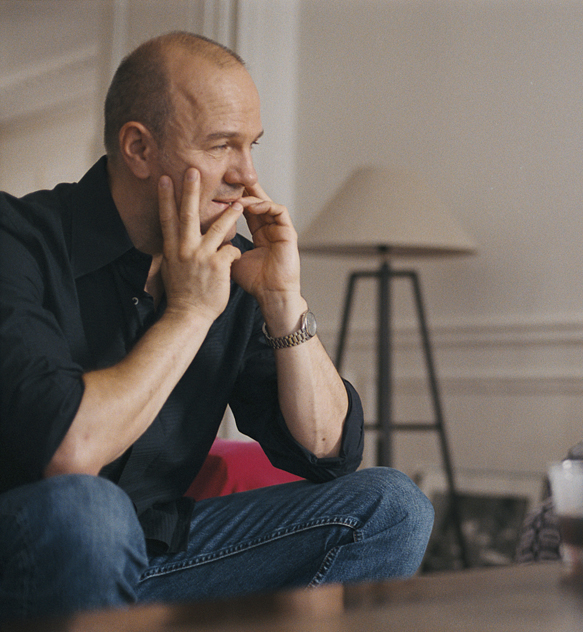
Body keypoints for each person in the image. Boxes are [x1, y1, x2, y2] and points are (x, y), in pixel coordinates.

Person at [0, 31, 434, 622]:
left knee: (393, 505)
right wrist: (187, 313)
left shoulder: (231, 266)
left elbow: (328, 452)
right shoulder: (17, 241)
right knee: (89, 510)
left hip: (157, 560)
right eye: (222, 145)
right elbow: (68, 450)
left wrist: (284, 300)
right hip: (28, 555)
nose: (247, 175)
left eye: (252, 144)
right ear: (138, 148)